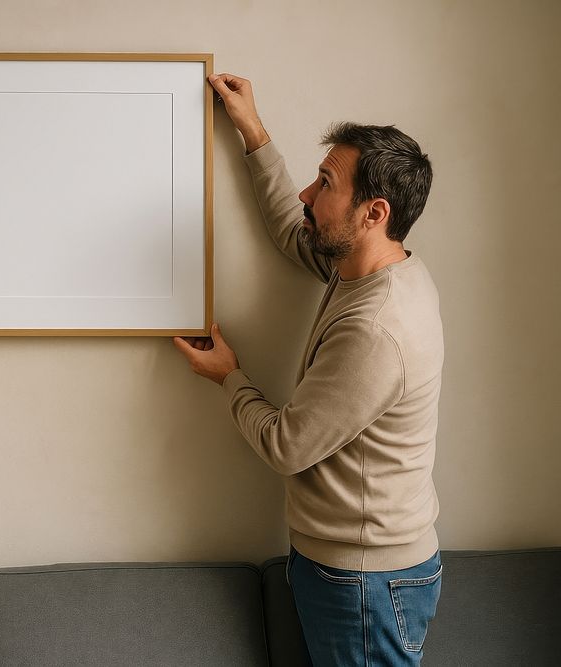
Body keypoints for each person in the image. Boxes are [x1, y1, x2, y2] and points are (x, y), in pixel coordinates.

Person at [174, 73, 442, 666]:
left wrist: (228, 376)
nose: (306, 193)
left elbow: (287, 446)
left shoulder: (378, 328)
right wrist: (251, 129)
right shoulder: (364, 268)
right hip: (352, 569)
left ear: (373, 213)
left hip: (366, 581)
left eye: (325, 184)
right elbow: (288, 226)